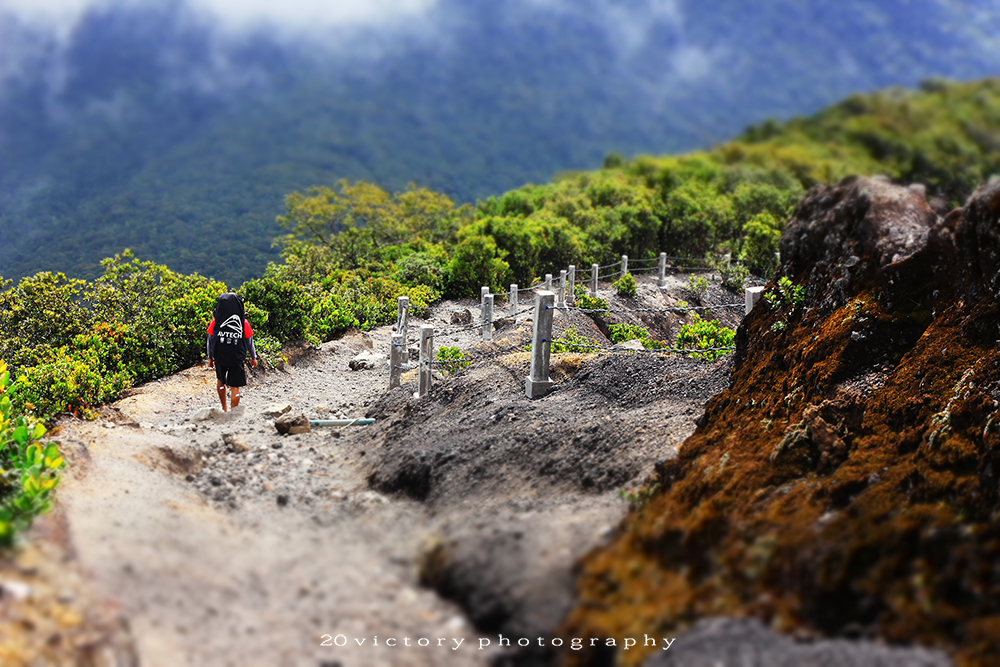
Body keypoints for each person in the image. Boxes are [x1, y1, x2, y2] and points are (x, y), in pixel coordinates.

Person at [206, 292, 258, 412]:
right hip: (236, 358)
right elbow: (250, 342)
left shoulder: (216, 321)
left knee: (220, 381)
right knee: (235, 387)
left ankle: (224, 409)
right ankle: (234, 412)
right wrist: (253, 357)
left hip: (220, 356)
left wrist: (210, 357)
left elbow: (210, 340)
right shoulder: (243, 322)